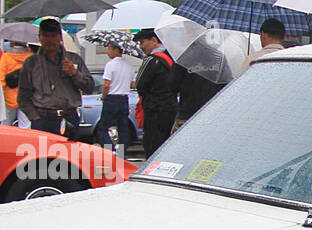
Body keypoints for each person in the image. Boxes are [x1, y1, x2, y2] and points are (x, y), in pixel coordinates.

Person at [16, 19, 93, 137]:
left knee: (68, 154)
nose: (49, 40)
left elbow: (89, 87)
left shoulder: (74, 60)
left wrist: (74, 73)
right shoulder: (31, 63)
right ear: (40, 38)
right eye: (46, 36)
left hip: (69, 118)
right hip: (42, 118)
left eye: (53, 36)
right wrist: (34, 117)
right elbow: (23, 96)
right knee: (44, 155)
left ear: (60, 38)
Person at [134, 28, 176, 156]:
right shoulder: (173, 57)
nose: (141, 47)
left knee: (153, 146)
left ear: (153, 40)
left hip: (154, 110)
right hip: (171, 108)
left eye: (142, 42)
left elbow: (140, 85)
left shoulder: (151, 60)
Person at [95, 43, 136, 157]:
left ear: (115, 50)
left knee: (103, 127)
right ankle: (122, 152)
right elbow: (133, 85)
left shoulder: (110, 65)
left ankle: (110, 151)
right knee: (123, 127)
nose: (107, 52)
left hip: (111, 98)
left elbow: (106, 85)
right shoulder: (130, 66)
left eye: (109, 49)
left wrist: (103, 96)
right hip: (124, 99)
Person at [170, 62, 224, 133]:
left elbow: (171, 87)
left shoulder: (184, 59)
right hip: (212, 114)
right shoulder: (220, 60)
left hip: (186, 116)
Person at [0, 41, 32, 127]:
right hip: (27, 97)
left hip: (9, 98)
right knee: (26, 126)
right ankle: (25, 140)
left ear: (12, 44)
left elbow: (0, 79)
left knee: (6, 125)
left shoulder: (6, 57)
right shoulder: (31, 57)